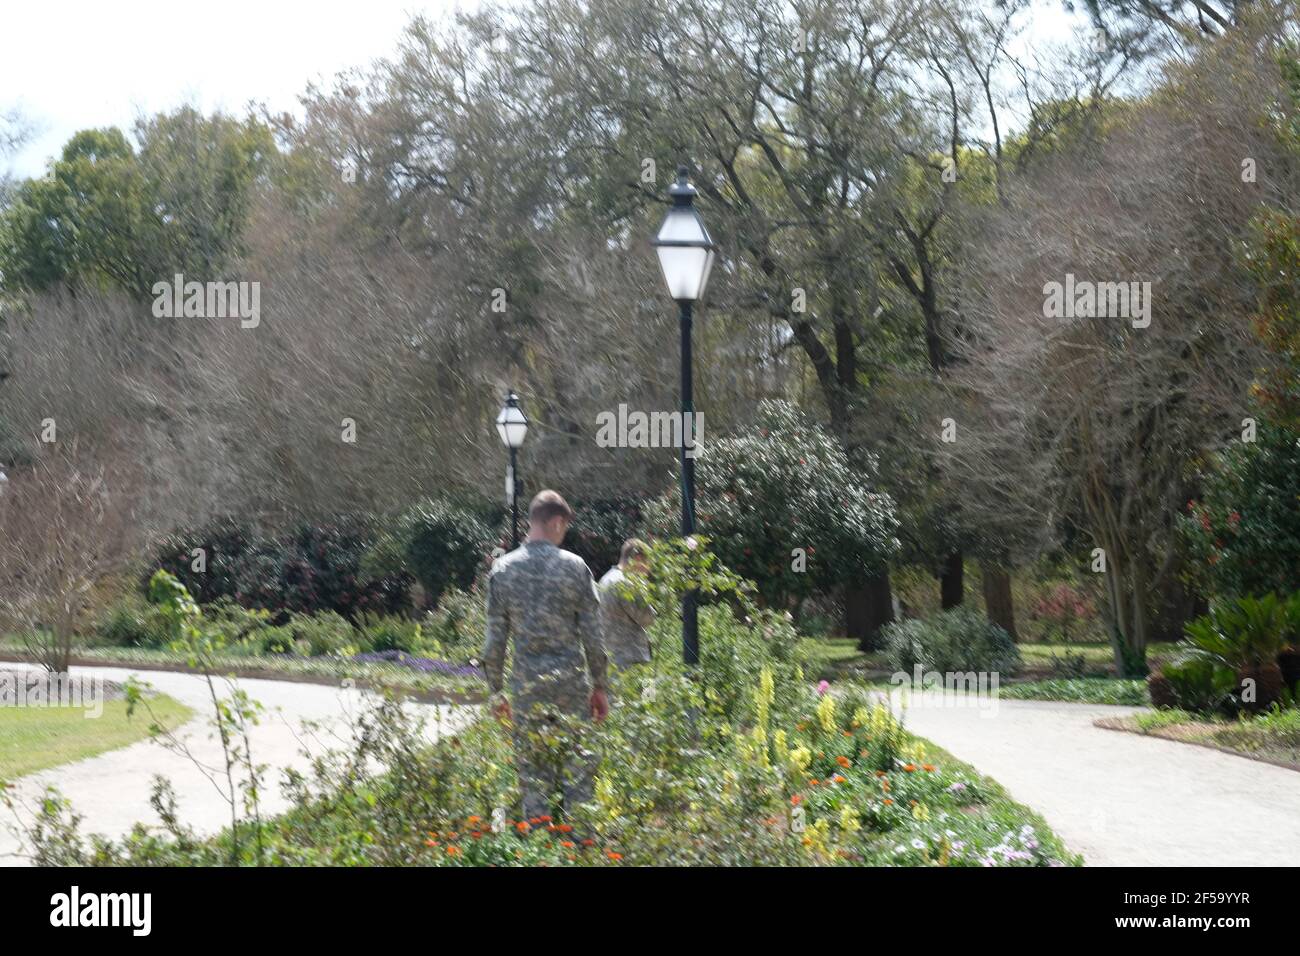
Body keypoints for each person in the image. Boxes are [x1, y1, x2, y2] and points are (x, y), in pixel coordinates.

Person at [481, 490, 609, 821]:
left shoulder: (502, 571)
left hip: (528, 687)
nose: (564, 533)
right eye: (564, 526)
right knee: (578, 768)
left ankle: (539, 847)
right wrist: (601, 685)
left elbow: (494, 644)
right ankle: (581, 846)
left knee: (533, 772)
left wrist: (496, 692)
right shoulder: (575, 568)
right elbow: (594, 637)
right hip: (570, 685)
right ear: (555, 522)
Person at [597, 538, 656, 669]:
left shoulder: (605, 579)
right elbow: (648, 618)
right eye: (648, 562)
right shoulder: (627, 584)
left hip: (610, 659)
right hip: (630, 661)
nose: (648, 570)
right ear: (638, 558)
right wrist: (642, 587)